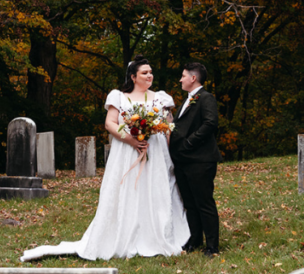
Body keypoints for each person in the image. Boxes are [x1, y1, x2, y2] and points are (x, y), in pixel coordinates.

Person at [20, 56, 189, 261]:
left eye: (151, 72)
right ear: (133, 77)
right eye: (144, 72)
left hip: (154, 151)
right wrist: (132, 140)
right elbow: (110, 124)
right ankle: (125, 234)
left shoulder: (160, 98)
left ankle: (157, 233)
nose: (150, 75)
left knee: (155, 191)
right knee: (128, 190)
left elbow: (168, 126)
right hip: (127, 152)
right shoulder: (119, 97)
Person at [169, 61, 221, 256]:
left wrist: (189, 143)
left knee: (204, 202)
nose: (180, 79)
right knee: (189, 203)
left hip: (200, 160)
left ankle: (212, 246)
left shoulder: (206, 98)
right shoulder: (187, 100)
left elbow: (210, 123)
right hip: (183, 161)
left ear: (193, 78)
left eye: (183, 76)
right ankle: (195, 239)